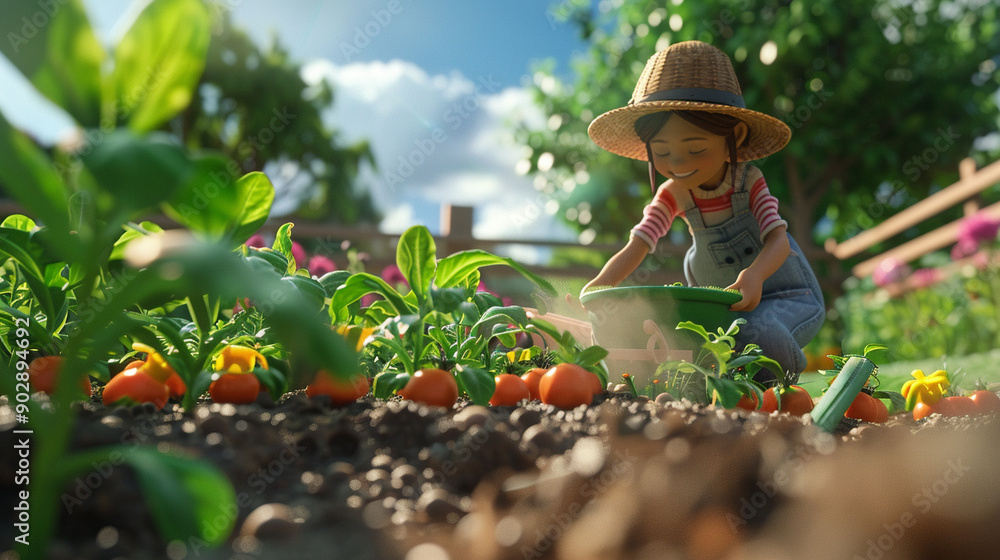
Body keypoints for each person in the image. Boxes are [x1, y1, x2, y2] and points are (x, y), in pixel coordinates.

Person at [583, 40, 824, 378]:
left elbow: (779, 242)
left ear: (735, 137)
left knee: (761, 336)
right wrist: (600, 286)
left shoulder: (749, 181)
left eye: (695, 148)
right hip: (724, 312)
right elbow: (638, 244)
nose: (678, 163)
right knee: (690, 345)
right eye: (663, 152)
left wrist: (754, 276)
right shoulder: (674, 194)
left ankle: (785, 397)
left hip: (786, 296)